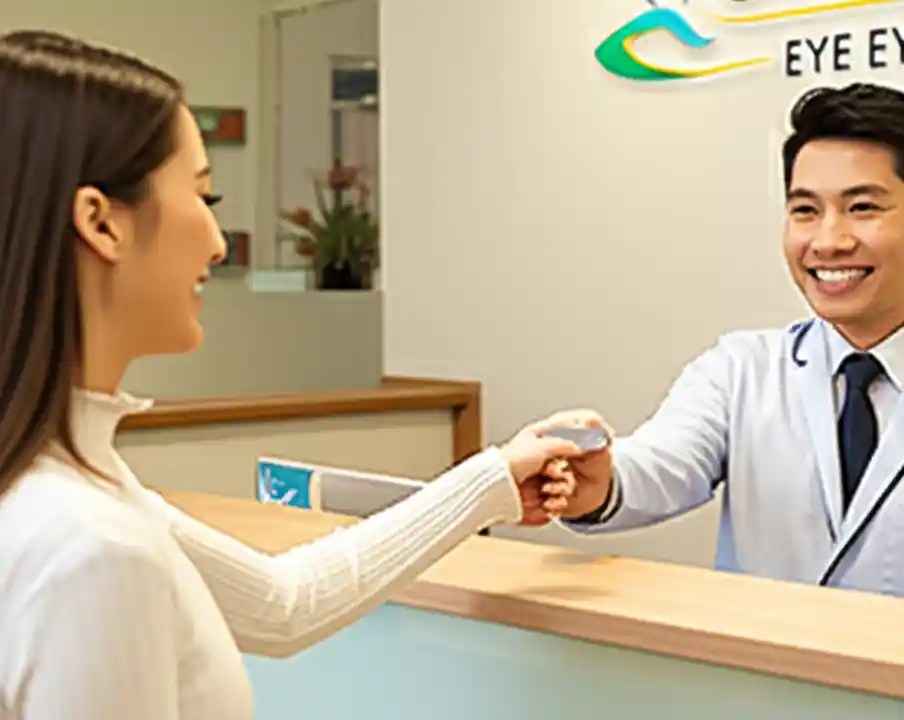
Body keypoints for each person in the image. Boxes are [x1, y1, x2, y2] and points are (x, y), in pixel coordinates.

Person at [0, 30, 585, 720]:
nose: (218, 245)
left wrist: (490, 482)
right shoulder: (92, 551)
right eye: (204, 197)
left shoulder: (61, 486)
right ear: (101, 223)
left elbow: (284, 604)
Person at [525, 82, 904, 609]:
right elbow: (663, 461)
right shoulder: (740, 371)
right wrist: (602, 485)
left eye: (863, 207)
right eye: (805, 210)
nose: (828, 241)